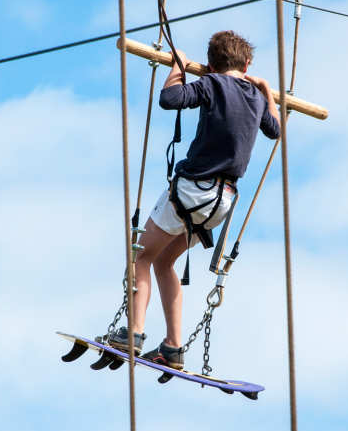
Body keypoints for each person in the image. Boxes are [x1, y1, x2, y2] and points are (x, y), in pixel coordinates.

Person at [107, 30, 281, 369]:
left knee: (140, 257)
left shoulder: (212, 84)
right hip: (221, 203)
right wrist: (265, 92)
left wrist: (177, 67)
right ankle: (173, 347)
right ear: (247, 65)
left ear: (212, 65)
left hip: (190, 191)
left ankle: (135, 334)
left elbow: (170, 99)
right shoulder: (256, 96)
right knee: (162, 261)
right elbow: (274, 129)